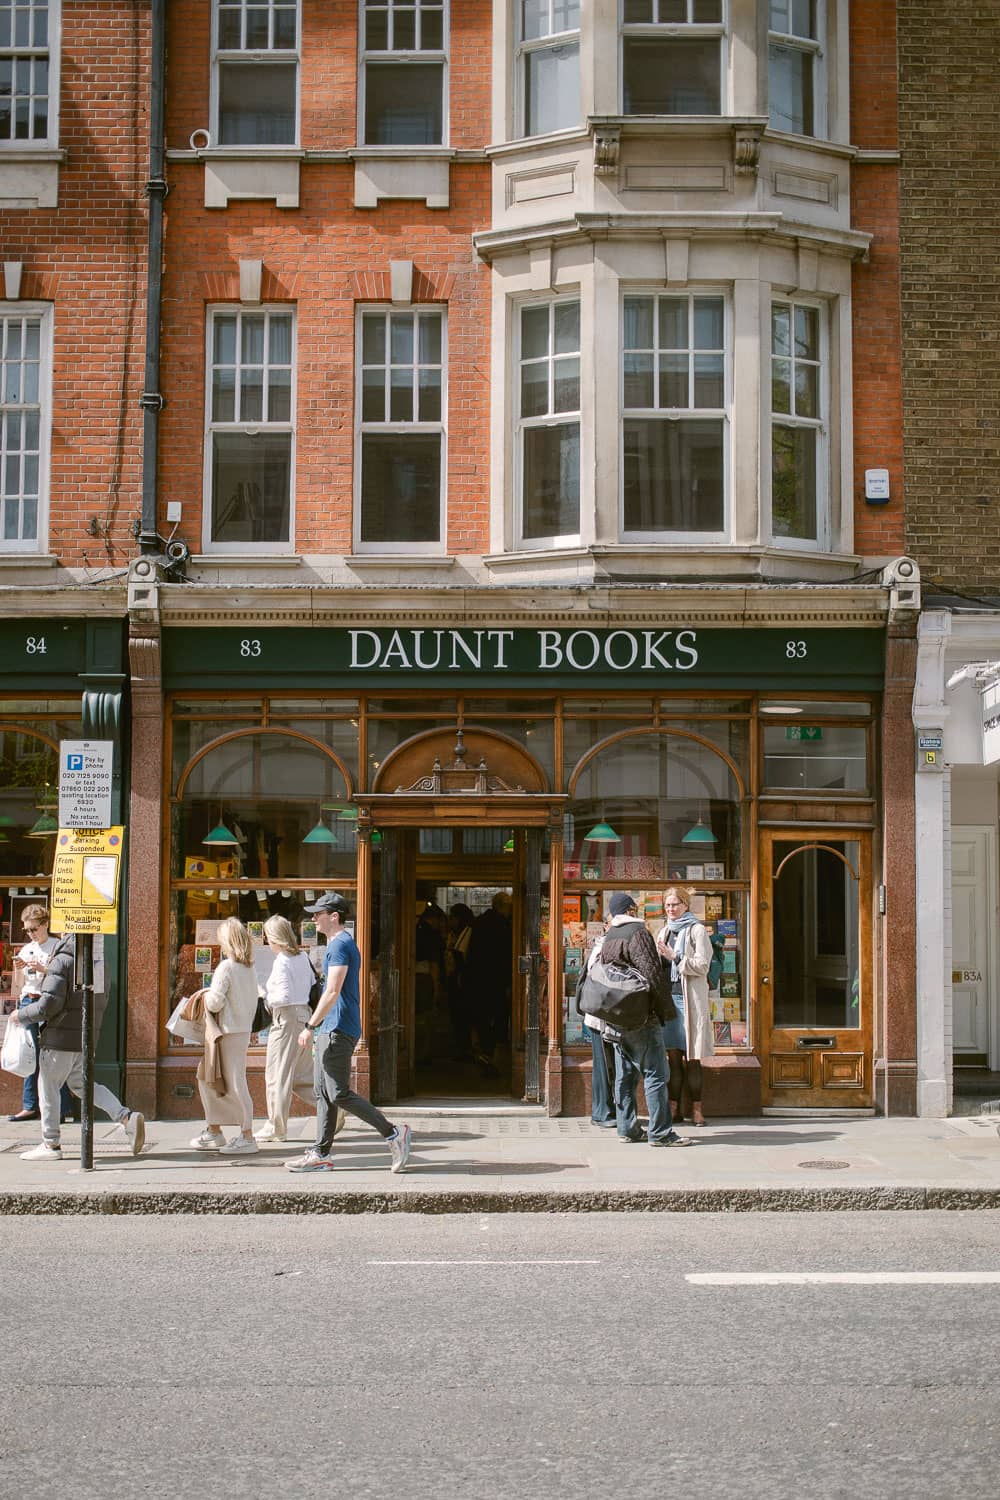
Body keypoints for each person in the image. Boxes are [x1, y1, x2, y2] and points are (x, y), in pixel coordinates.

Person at [286, 891, 411, 1174]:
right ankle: (320, 1153)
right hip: (330, 1028)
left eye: (318, 914)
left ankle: (393, 1133)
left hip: (337, 1027)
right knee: (323, 1093)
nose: (313, 918)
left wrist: (310, 1025)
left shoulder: (340, 945)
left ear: (334, 916)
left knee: (338, 1093)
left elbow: (332, 990)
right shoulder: (337, 944)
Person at [10, 930, 145, 1162]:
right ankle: (125, 1117)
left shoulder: (62, 960)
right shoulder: (99, 963)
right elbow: (101, 1001)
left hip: (59, 1037)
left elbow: (48, 1005)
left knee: (49, 1088)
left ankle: (50, 1144)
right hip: (84, 1037)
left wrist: (20, 1015)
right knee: (82, 1085)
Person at [595, 892, 690, 1148]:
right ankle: (660, 1133)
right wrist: (666, 1011)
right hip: (641, 1017)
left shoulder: (610, 936)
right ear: (631, 910)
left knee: (625, 1075)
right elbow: (652, 974)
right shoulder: (638, 932)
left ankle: (627, 1128)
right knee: (656, 1074)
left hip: (616, 1017)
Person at [190, 916, 259, 1155]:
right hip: (238, 1030)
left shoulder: (227, 967)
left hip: (226, 1032)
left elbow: (215, 1002)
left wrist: (204, 994)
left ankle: (245, 1135)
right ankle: (214, 1129)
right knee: (208, 1076)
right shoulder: (248, 967)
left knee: (231, 1081)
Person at [254, 914, 326, 1143]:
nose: (267, 941)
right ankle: (331, 1107)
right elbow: (312, 986)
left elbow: (283, 997)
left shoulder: (283, 960)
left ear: (276, 937)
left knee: (276, 1074)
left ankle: (276, 1127)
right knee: (301, 1075)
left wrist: (265, 996)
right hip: (303, 1017)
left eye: (268, 936)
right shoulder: (302, 956)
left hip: (286, 1020)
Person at [8, 905, 73, 1124]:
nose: (31, 934)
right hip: (29, 1000)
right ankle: (29, 1105)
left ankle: (62, 1108)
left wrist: (44, 969)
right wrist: (18, 969)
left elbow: (64, 978)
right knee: (30, 1054)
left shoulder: (57, 947)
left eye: (34, 929)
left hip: (50, 1001)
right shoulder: (27, 949)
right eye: (27, 931)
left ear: (45, 924)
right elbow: (19, 986)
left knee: (53, 1055)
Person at [656, 886, 713, 1127]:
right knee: (673, 1057)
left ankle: (697, 1110)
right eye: (668, 905)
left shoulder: (697, 930)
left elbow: (702, 966)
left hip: (689, 1001)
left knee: (692, 1058)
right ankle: (674, 1108)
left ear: (686, 905)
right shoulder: (664, 931)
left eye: (675, 904)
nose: (671, 909)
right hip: (669, 1003)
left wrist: (675, 957)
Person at [465, 890, 513, 1075]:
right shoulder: (503, 926)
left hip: (477, 979)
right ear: (502, 907)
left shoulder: (479, 923)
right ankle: (491, 1055)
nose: (510, 911)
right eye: (509, 907)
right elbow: (504, 956)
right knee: (498, 1017)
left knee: (483, 1017)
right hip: (496, 981)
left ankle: (485, 1052)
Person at [445, 902, 474, 1058]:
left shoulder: (467, 932)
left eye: (452, 917)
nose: (450, 921)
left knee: (461, 1015)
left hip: (460, 980)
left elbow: (460, 955)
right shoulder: (456, 933)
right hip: (457, 979)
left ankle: (465, 1049)